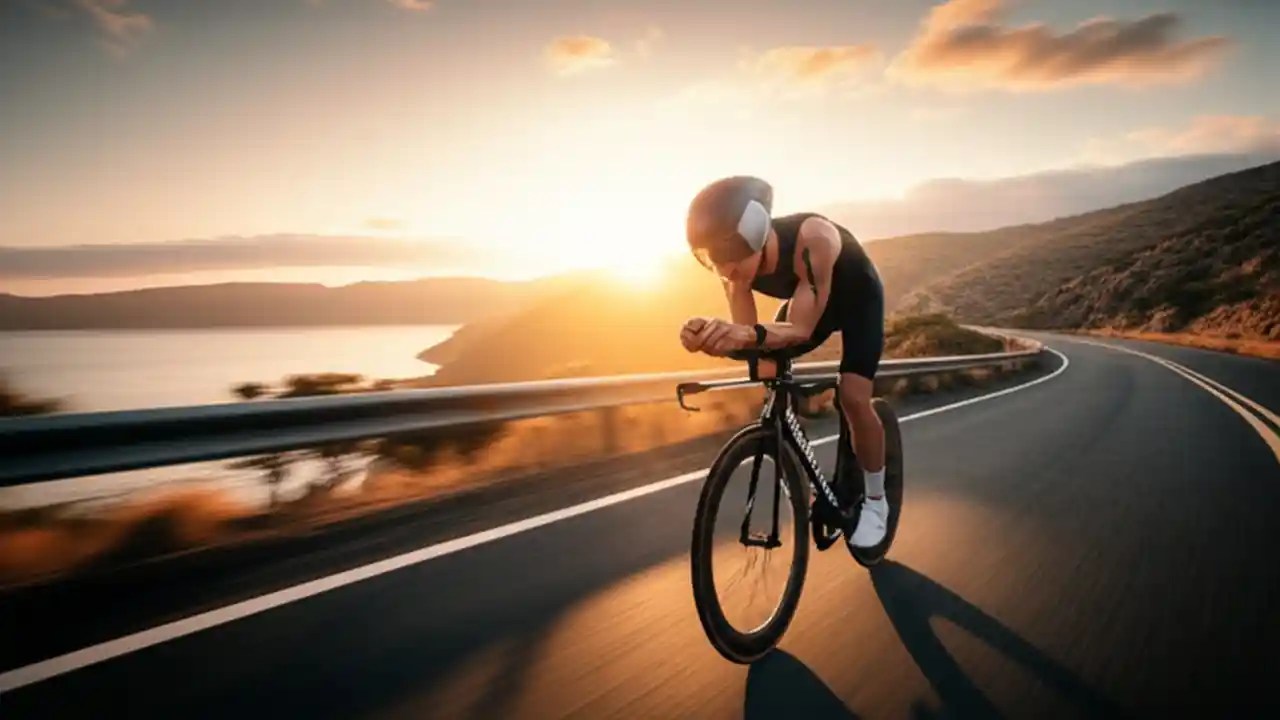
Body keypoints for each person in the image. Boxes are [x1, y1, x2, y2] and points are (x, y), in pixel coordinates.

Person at [678, 175, 888, 549]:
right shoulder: (733, 269)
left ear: (756, 233)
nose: (726, 272)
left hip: (857, 302)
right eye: (714, 262)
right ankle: (799, 468)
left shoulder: (815, 240)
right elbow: (751, 342)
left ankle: (876, 503)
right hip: (809, 302)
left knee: (853, 397)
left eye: (731, 260)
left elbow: (802, 329)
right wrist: (710, 339)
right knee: (769, 372)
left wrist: (746, 335)